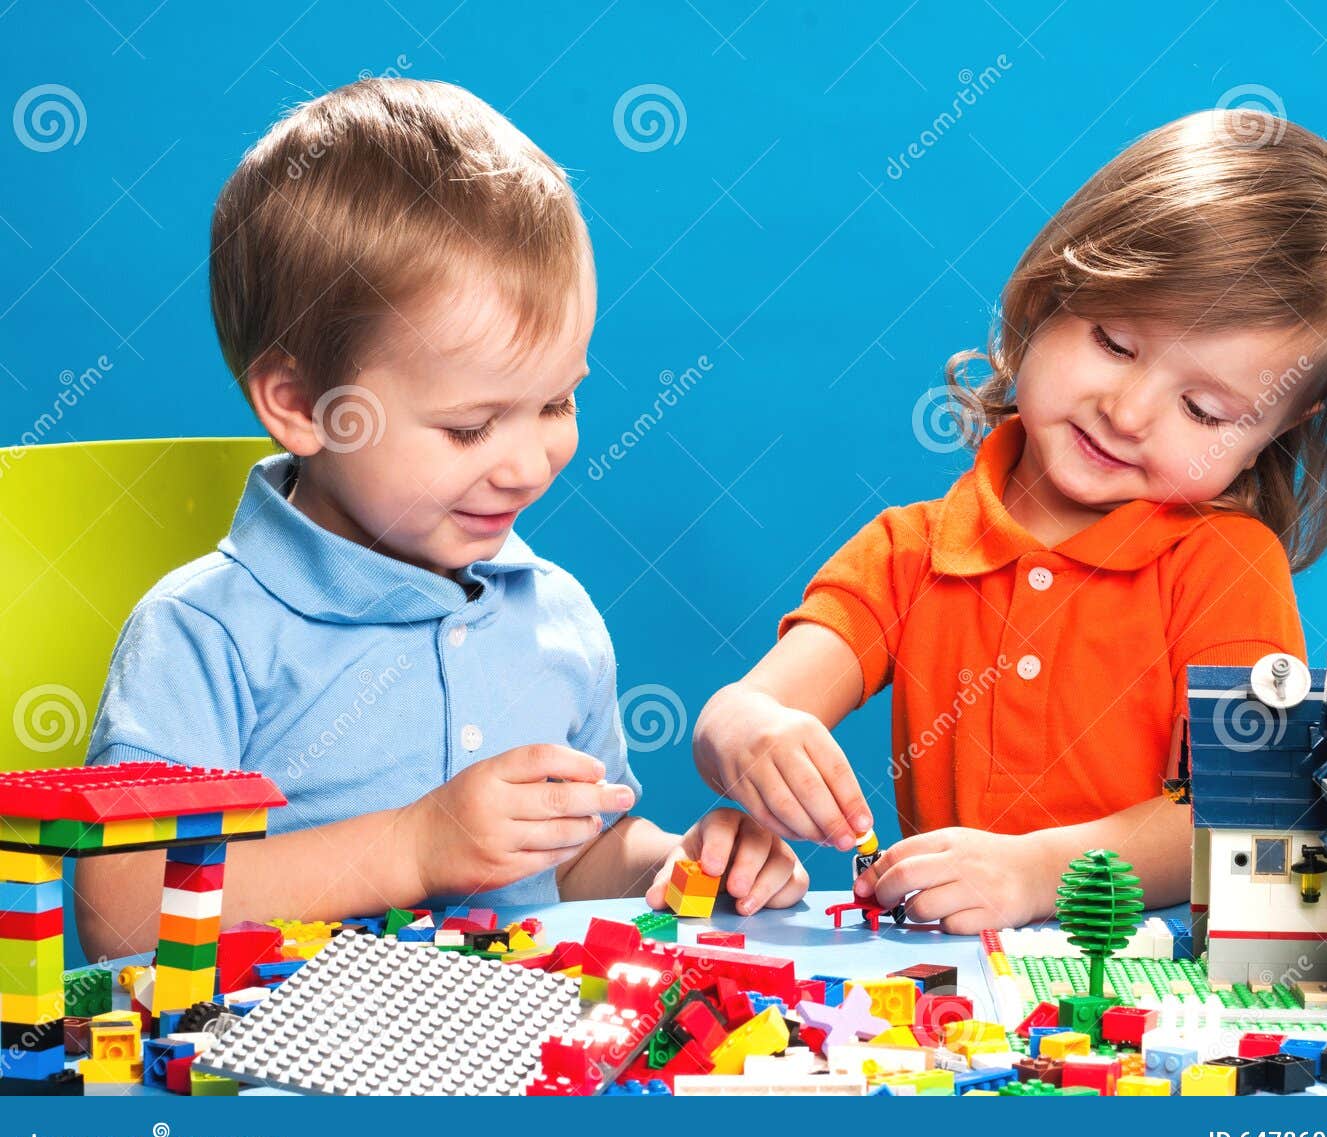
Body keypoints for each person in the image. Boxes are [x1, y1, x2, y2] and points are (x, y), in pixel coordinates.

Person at [76, 79, 806, 961]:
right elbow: (122, 911)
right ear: (303, 405)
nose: (529, 465)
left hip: (526, 1036)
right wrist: (414, 847)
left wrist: (682, 867)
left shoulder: (556, 617)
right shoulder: (206, 634)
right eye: (469, 427)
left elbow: (576, 858)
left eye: (558, 403)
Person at [694, 109, 1327, 932]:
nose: (1127, 413)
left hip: (1143, 978)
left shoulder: (1225, 569)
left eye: (1204, 410)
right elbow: (742, 711)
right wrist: (752, 736)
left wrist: (1037, 873)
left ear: (1275, 432)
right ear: (1048, 294)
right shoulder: (910, 552)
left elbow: (1241, 808)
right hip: (953, 980)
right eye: (1115, 343)